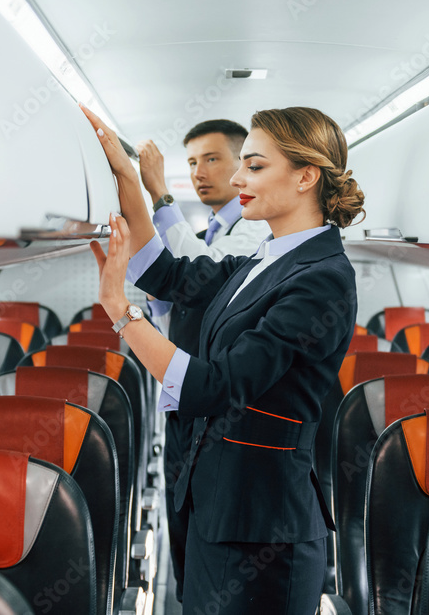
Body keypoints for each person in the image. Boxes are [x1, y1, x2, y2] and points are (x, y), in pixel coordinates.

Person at [82, 103, 364, 614]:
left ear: (306, 176)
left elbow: (212, 387)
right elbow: (168, 274)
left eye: (254, 166)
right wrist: (128, 179)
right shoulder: (268, 257)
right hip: (216, 507)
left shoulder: (321, 278)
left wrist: (122, 313)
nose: (237, 178)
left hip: (263, 533)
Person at [135, 121, 270, 603]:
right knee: (184, 534)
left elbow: (201, 279)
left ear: (242, 165)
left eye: (212, 159)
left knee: (211, 553)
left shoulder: (257, 230)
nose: (198, 172)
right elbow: (176, 301)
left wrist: (156, 195)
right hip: (182, 404)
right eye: (191, 162)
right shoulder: (203, 233)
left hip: (218, 408)